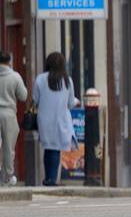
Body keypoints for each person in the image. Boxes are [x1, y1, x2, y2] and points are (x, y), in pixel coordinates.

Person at [31, 52, 78, 187]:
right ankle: (51, 179)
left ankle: (48, 178)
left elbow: (35, 99)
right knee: (56, 148)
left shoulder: (40, 79)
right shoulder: (67, 81)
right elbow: (70, 103)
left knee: (48, 147)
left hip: (44, 119)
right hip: (60, 119)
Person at [0, 50, 27, 185]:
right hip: (9, 114)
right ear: (9, 61)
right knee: (8, 147)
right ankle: (7, 177)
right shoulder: (15, 76)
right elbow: (23, 96)